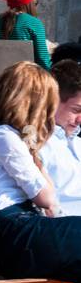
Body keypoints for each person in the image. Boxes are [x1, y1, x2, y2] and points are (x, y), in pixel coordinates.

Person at [0, 61, 81, 281]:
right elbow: (46, 197)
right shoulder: (1, 137)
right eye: (46, 105)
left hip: (23, 233)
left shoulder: (0, 134)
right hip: (15, 235)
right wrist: (33, 150)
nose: (47, 114)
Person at [40, 59, 81, 217]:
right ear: (53, 101)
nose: (80, 119)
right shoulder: (39, 145)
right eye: (76, 110)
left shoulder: (77, 143)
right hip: (67, 230)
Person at [0, 0, 51, 69]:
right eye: (35, 2)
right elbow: (43, 61)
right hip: (26, 80)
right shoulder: (33, 23)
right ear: (29, 4)